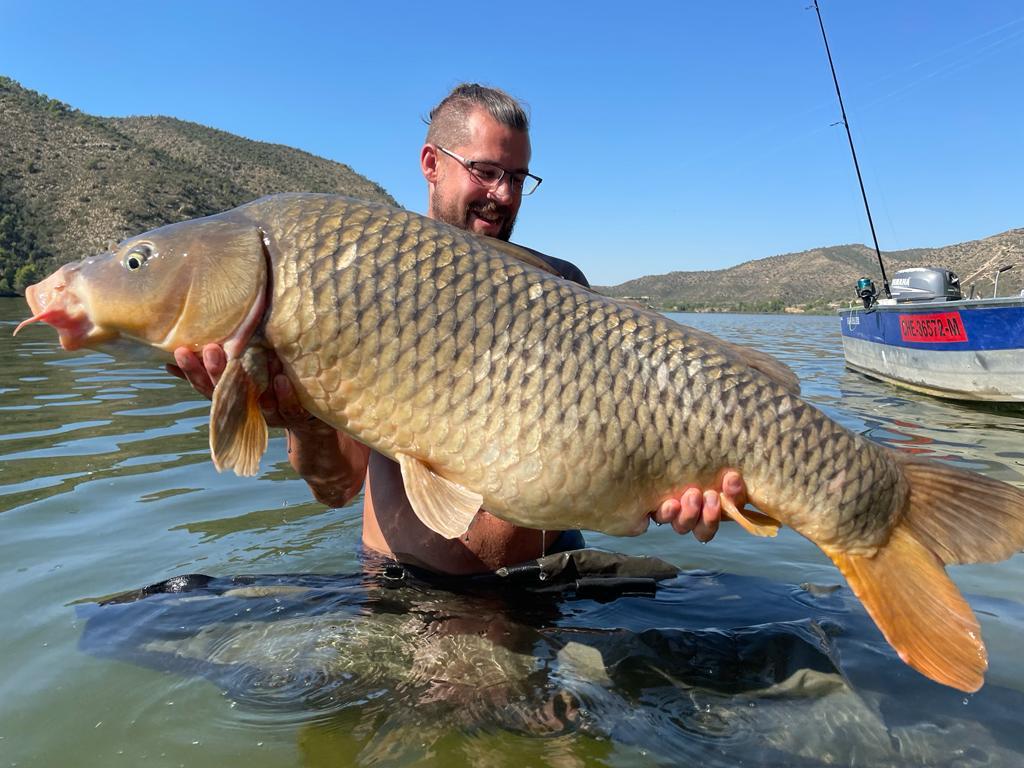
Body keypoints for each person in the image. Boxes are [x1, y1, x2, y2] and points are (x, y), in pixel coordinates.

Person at [168, 83, 748, 575]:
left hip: (547, 577)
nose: (503, 195)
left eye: (518, 178)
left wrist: (674, 490)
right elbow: (336, 487)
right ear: (431, 163)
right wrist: (299, 418)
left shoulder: (562, 284)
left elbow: (621, 449)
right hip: (410, 589)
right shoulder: (361, 279)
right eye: (486, 172)